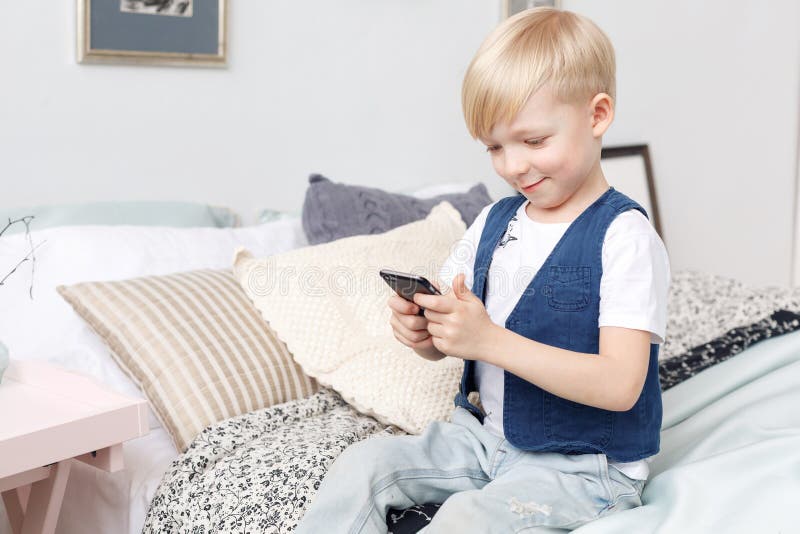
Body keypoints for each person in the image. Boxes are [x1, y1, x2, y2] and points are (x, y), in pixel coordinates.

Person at [295, 7, 670, 533]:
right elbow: (455, 334)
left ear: (597, 115)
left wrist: (489, 340)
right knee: (364, 467)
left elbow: (620, 385)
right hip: (482, 438)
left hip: (583, 467)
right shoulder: (493, 222)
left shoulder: (624, 236)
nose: (513, 166)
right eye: (495, 147)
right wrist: (425, 332)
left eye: (534, 141)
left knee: (466, 521)